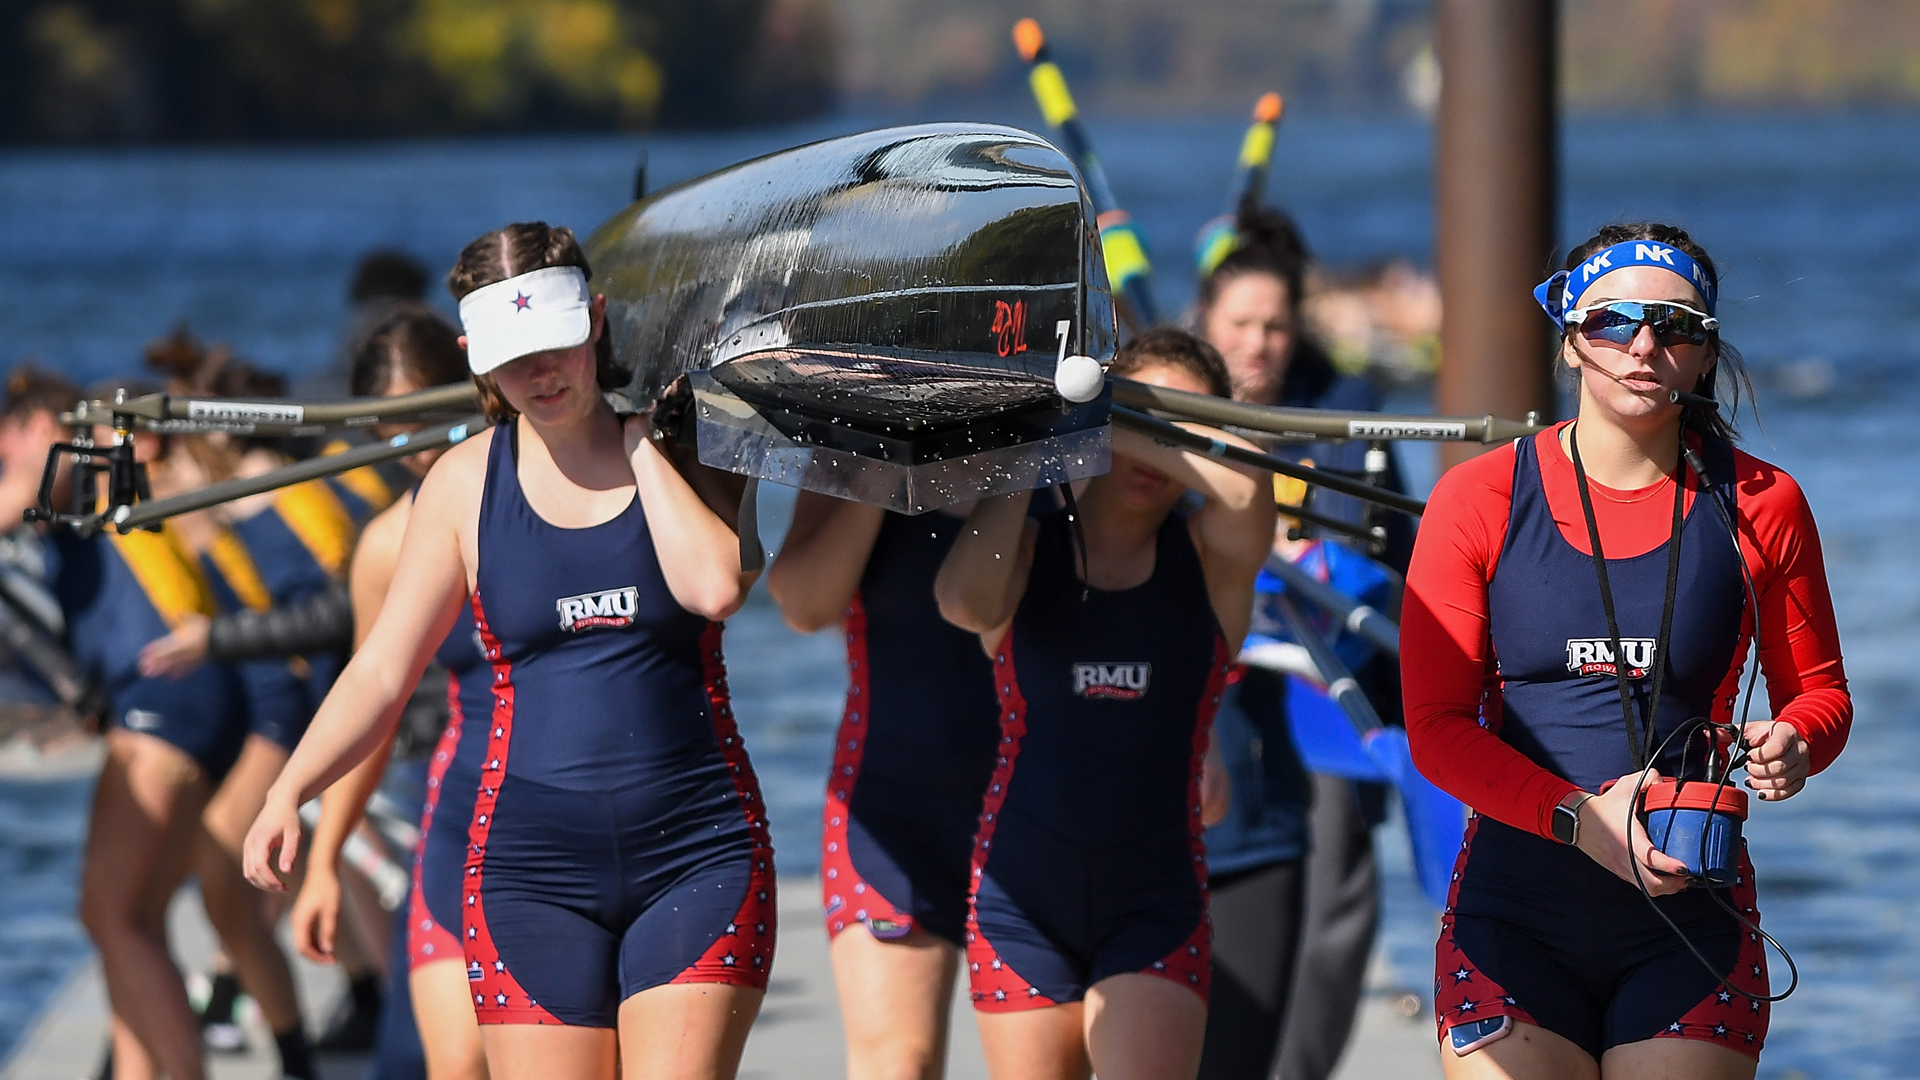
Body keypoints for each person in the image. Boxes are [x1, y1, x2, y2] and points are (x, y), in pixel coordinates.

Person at [244, 221, 774, 1080]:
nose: (540, 374)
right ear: (474, 356)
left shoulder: (680, 446)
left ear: (596, 321)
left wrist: (638, 441)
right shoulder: (461, 486)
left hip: (697, 854)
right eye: (513, 354)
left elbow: (717, 589)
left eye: (556, 345)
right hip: (530, 872)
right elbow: (382, 669)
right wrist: (288, 790)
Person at [1401, 222, 1852, 1079]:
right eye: (1614, 321)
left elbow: (1822, 698)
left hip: (1693, 918)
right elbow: (1435, 728)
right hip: (1513, 913)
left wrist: (1797, 743)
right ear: (1571, 340)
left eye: (1674, 325)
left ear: (1705, 353)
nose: (1644, 344)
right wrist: (1579, 817)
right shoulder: (1478, 499)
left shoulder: (1764, 502)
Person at [933, 327, 1271, 1080]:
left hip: (1154, 903)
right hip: (1018, 897)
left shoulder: (1215, 560)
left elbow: (1248, 487)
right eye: (1144, 408)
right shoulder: (1026, 545)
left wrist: (1121, 420)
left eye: (1184, 425)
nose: (1156, 444)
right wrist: (1038, 446)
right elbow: (960, 603)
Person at [1191, 209, 1406, 1080]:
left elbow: (1388, 559)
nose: (1259, 346)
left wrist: (1308, 556)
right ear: (1205, 322)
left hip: (1326, 683)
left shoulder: (1347, 418)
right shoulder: (1169, 409)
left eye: (1276, 327)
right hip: (1216, 690)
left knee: (1331, 902)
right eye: (1240, 325)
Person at [287, 302, 492, 1080]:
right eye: (390, 435)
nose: (413, 451)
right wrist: (323, 859)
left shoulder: (542, 484)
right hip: (452, 791)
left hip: (571, 792)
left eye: (426, 418)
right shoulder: (383, 545)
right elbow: (374, 701)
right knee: (451, 1060)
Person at [43, 375, 251, 1080]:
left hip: (162, 704)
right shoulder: (165, 493)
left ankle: (183, 1071)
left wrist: (42, 448)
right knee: (139, 915)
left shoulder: (118, 489)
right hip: (204, 704)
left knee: (106, 914)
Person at [766, 491, 1003, 1079]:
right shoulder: (852, 454)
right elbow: (803, 607)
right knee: (898, 1064)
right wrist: (876, 463)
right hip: (892, 807)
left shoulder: (1062, 451)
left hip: (1041, 811)